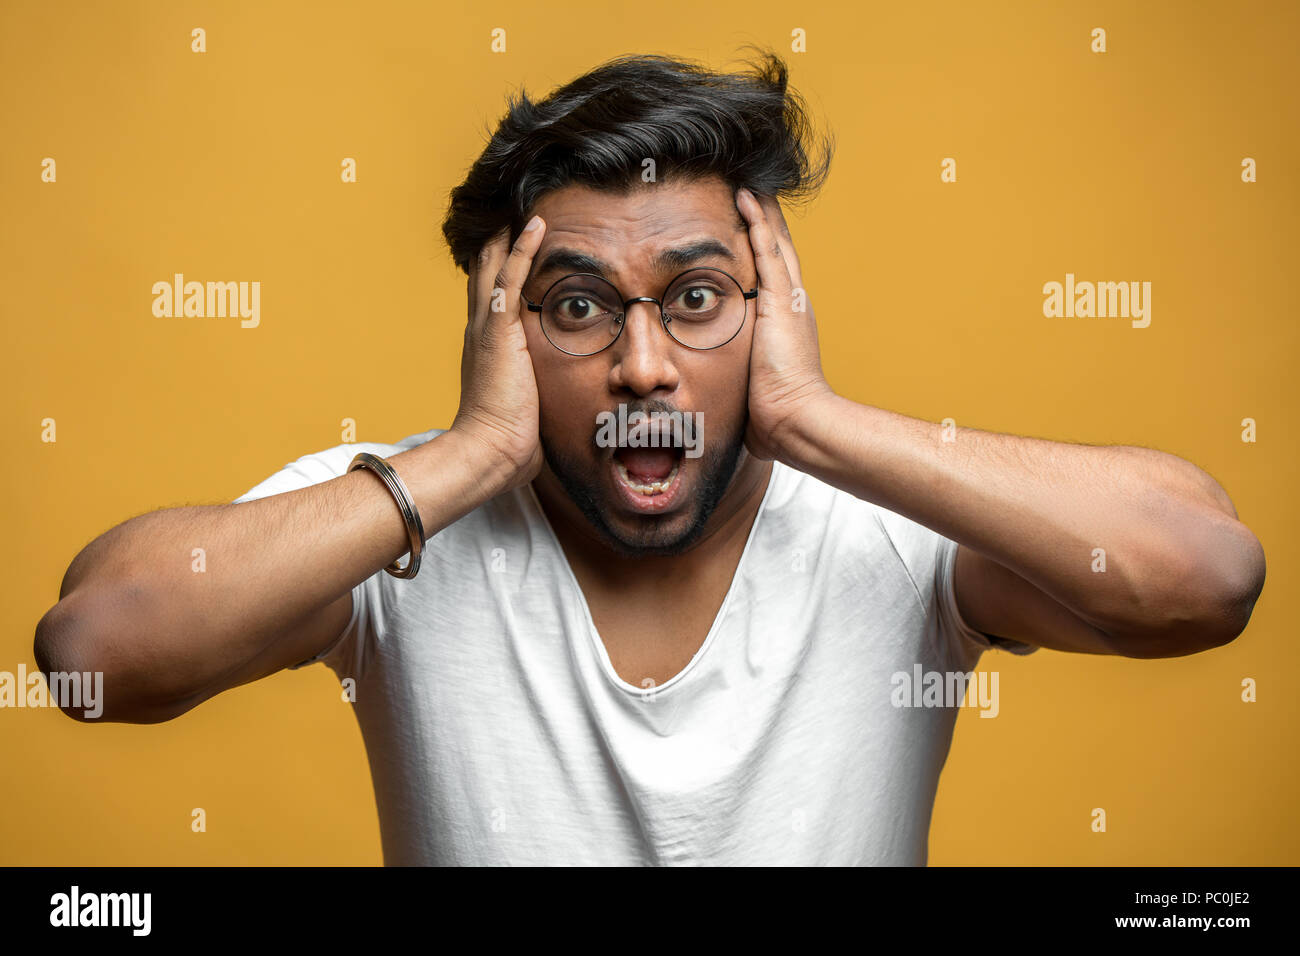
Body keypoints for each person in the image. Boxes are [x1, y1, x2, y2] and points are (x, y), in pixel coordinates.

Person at [34, 49, 1266, 866]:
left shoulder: (883, 526)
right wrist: (465, 460)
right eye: (575, 307)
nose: (641, 365)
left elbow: (1206, 573)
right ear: (501, 327)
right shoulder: (398, 520)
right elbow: (93, 654)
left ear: (769, 308)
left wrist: (814, 419)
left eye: (694, 297)